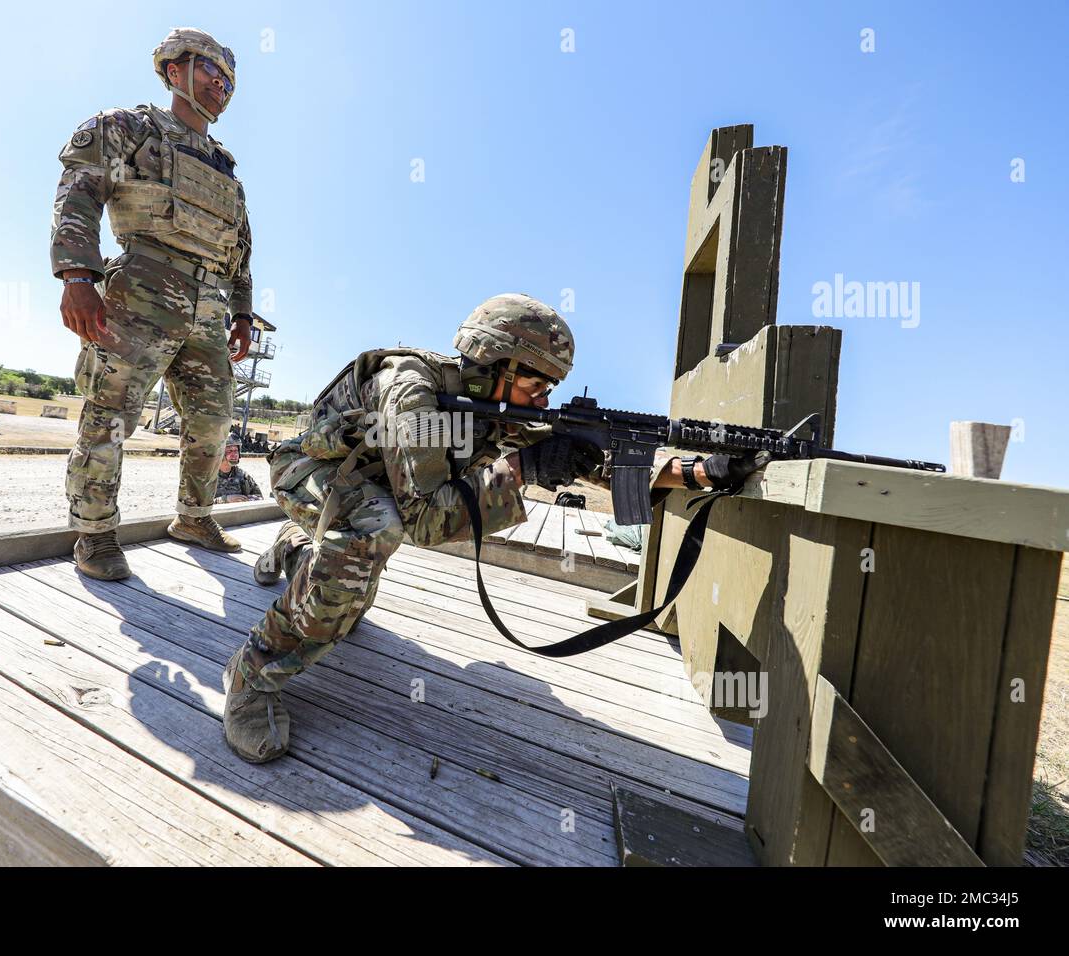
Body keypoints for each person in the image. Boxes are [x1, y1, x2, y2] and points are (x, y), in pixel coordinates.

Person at [220, 293, 756, 762]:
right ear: (499, 362)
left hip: (372, 487)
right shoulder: (413, 392)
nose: (545, 398)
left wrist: (696, 470)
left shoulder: (492, 403)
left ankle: (299, 551)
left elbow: (594, 463)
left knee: (351, 579)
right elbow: (425, 522)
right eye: (537, 381)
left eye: (552, 386)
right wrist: (526, 469)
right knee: (371, 531)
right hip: (310, 473)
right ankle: (250, 675)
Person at [51, 27, 256, 580]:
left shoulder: (226, 168)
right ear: (173, 71)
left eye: (228, 78)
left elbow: (240, 247)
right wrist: (76, 275)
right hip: (141, 287)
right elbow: (80, 190)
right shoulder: (130, 128)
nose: (221, 84)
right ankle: (94, 535)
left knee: (213, 423)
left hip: (208, 307)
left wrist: (240, 313)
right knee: (112, 417)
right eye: (210, 70)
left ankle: (194, 517)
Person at [215, 435, 266, 502]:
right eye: (230, 451)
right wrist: (225, 500)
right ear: (220, 453)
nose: (234, 454)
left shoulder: (243, 476)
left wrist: (245, 499)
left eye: (236, 451)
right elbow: (199, 505)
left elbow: (259, 497)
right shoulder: (208, 477)